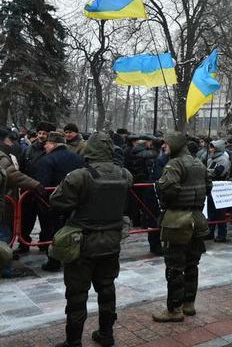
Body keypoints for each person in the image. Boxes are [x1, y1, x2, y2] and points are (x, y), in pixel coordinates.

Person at [49, 132, 133, 347]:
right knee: (107, 289)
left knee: (77, 294)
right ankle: (106, 335)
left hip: (83, 243)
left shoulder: (80, 176)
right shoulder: (125, 174)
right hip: (112, 242)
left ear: (89, 150)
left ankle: (74, 341)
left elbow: (58, 201)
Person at [153, 131, 211, 322]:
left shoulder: (174, 164)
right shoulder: (199, 163)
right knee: (192, 264)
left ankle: (174, 309)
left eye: (167, 143)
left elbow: (168, 189)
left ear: (175, 145)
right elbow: (208, 186)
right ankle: (189, 304)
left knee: (175, 268)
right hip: (198, 218)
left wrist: (164, 195)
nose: (164, 146)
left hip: (177, 220)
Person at [36, 131, 85, 271]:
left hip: (55, 204)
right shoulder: (78, 158)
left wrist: (43, 204)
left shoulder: (47, 160)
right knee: (73, 231)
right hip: (76, 203)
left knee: (54, 233)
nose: (45, 146)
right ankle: (74, 257)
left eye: (47, 143)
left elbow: (42, 185)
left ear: (53, 144)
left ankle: (54, 261)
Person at [18, 121, 55, 253]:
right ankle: (23, 244)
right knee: (26, 221)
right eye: (39, 133)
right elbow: (21, 169)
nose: (41, 136)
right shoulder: (28, 150)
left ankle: (44, 244)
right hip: (28, 192)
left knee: (46, 221)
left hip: (46, 192)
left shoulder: (52, 151)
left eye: (44, 133)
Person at [129, 135, 162, 254]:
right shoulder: (151, 155)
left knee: (146, 211)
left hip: (141, 184)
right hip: (148, 186)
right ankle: (155, 245)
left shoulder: (135, 152)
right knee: (153, 215)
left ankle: (142, 223)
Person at [206, 139, 231, 242]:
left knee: (220, 213)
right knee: (211, 212)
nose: (210, 149)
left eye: (212, 147)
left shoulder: (223, 159)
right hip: (211, 187)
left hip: (220, 188)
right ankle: (210, 232)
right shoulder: (210, 159)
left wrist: (206, 171)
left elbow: (217, 172)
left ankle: (222, 234)